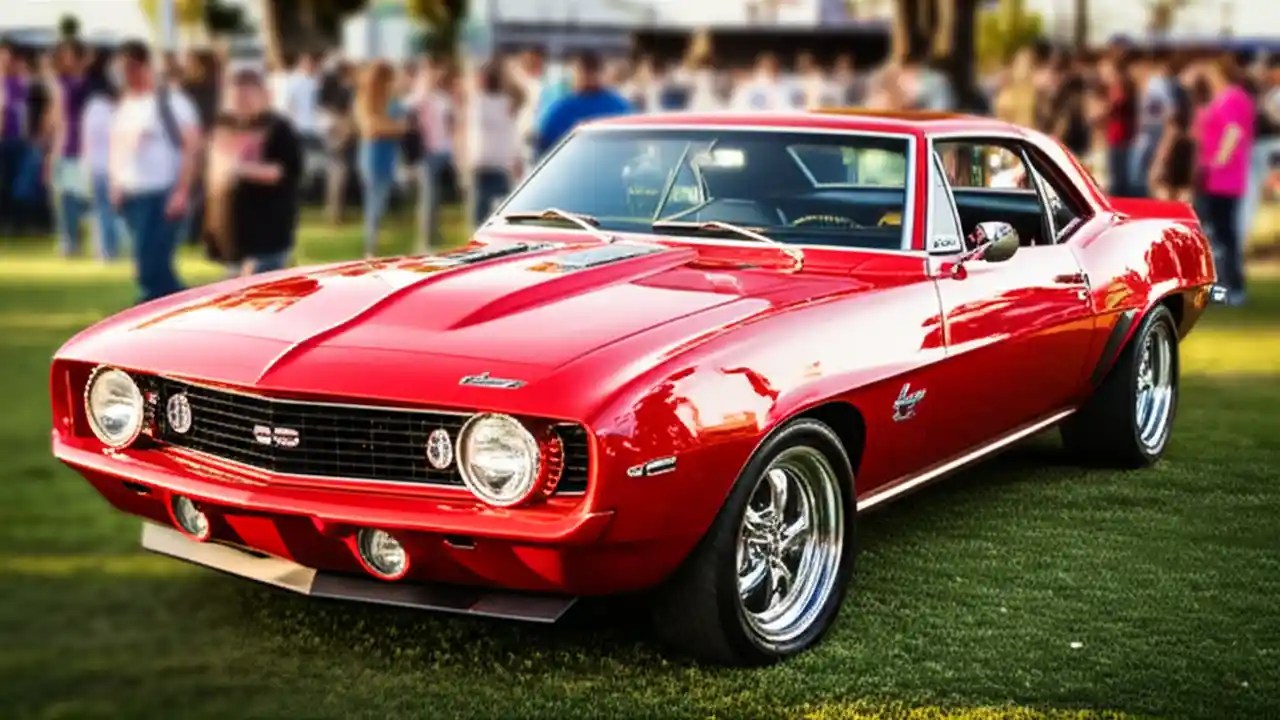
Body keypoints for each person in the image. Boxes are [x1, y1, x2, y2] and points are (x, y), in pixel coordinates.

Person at [108, 40, 202, 303]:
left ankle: (158, 309)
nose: (127, 76)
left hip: (161, 194)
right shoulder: (126, 105)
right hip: (132, 195)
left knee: (152, 267)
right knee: (147, 266)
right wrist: (116, 183)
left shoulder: (171, 102)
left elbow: (191, 147)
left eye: (132, 68)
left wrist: (182, 191)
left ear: (146, 67)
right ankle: (177, 308)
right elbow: (117, 147)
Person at [203, 69, 302, 276]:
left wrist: (239, 169)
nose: (241, 103)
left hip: (266, 237)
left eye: (246, 97)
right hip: (230, 237)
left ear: (262, 95)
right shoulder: (224, 126)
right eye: (236, 98)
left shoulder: (279, 128)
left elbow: (282, 171)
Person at [1195, 56, 1256, 307]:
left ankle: (1233, 288)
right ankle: (1224, 286)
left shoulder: (1232, 98)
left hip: (1224, 179)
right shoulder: (1224, 98)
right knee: (1217, 233)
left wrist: (1218, 160)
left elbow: (1234, 131)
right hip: (1215, 178)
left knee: (1223, 235)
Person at [535, 51, 632, 157]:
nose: (589, 77)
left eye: (592, 71)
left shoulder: (619, 107)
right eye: (586, 71)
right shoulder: (561, 109)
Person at [353, 60, 405, 257]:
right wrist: (396, 128)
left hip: (389, 154)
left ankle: (374, 243)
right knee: (374, 202)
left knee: (380, 201)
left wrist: (393, 127)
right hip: (374, 155)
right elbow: (371, 128)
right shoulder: (365, 99)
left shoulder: (391, 99)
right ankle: (370, 247)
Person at [45, 40, 90, 256]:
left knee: (68, 198)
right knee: (67, 198)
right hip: (70, 145)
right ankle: (70, 240)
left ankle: (71, 242)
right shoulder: (70, 83)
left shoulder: (69, 84)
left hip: (72, 146)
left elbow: (59, 116)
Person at [460, 61, 518, 227]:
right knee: (499, 215)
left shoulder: (477, 103)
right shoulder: (507, 103)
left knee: (479, 216)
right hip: (499, 163)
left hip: (484, 164)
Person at [408, 58, 456, 252]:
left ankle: (434, 233)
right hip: (427, 152)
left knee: (436, 197)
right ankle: (424, 240)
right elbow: (412, 110)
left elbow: (450, 122)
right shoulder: (420, 98)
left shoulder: (442, 98)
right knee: (428, 197)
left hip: (443, 149)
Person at [80, 51, 122, 261]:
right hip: (114, 167)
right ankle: (111, 247)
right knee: (111, 211)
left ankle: (105, 249)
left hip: (98, 166)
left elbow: (88, 139)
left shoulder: (93, 108)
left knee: (101, 210)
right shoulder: (116, 109)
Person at [1241, 56, 1280, 248]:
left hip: (1270, 146)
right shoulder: (1266, 92)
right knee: (1252, 196)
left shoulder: (1274, 94)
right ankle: (1244, 240)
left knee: (1254, 195)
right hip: (1263, 147)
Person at [1132, 54, 1180, 197]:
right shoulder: (1148, 85)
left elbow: (1170, 118)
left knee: (1149, 185)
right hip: (1146, 141)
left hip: (1154, 143)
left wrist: (1161, 154)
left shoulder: (1156, 86)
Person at [318, 57, 356, 223]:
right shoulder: (345, 88)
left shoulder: (326, 85)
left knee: (334, 170)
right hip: (339, 128)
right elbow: (346, 111)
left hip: (328, 127)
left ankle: (332, 210)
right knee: (339, 171)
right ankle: (335, 212)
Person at [0, 41, 32, 237]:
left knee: (14, 183)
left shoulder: (18, 83)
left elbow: (22, 111)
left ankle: (13, 224)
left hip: (15, 139)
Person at [1101, 54, 1138, 197]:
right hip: (1115, 135)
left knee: (1120, 179)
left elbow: (1115, 106)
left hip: (1122, 136)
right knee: (1116, 176)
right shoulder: (1118, 85)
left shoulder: (1125, 86)